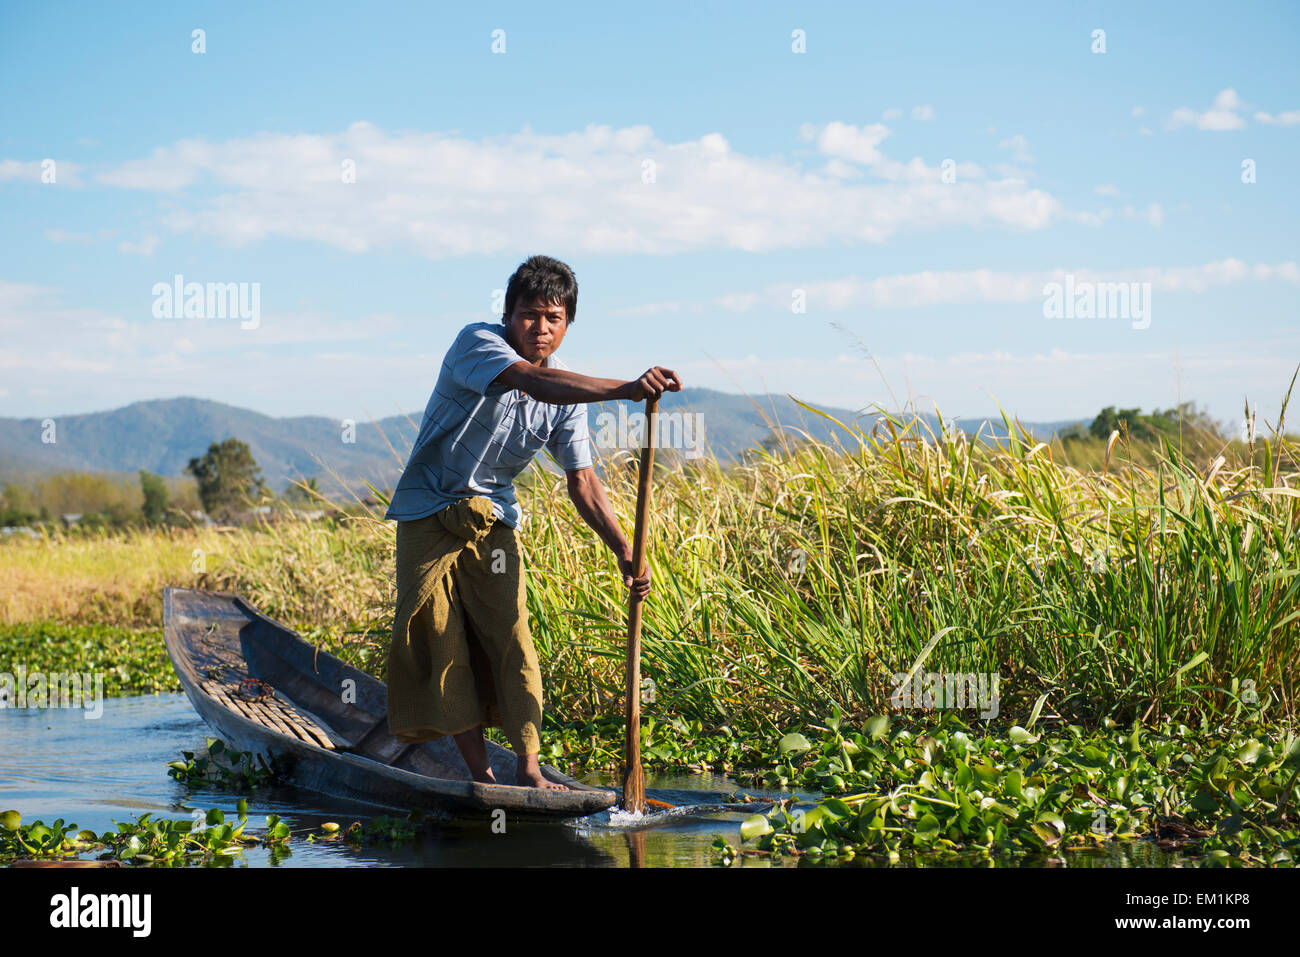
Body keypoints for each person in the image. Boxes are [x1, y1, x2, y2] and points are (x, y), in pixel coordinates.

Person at [384, 254, 682, 789]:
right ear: (507, 315)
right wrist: (625, 389)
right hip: (428, 512)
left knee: (511, 636)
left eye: (553, 318)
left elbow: (583, 482)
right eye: (529, 315)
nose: (540, 329)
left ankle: (527, 768)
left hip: (493, 520)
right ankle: (482, 776)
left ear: (567, 324)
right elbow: (531, 382)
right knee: (442, 638)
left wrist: (624, 550)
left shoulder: (568, 399)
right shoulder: (478, 343)